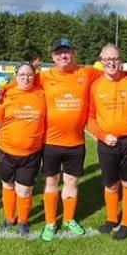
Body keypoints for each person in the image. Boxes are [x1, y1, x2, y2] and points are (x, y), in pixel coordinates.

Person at [36, 38, 102, 242]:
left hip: (76, 143)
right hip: (51, 142)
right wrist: (5, 89)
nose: (63, 56)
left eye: (66, 51)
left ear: (73, 53)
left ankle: (68, 219)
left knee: (71, 182)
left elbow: (111, 73)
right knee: (51, 182)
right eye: (59, 52)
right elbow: (23, 80)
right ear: (53, 56)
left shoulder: (86, 73)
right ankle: (50, 222)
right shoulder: (44, 76)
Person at [87, 44, 127, 240]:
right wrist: (103, 135)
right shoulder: (95, 86)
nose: (111, 63)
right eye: (107, 59)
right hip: (106, 143)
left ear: (120, 60)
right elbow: (90, 118)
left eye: (115, 59)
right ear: (101, 61)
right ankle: (112, 219)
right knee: (110, 184)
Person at [0, 62, 46, 237]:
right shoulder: (6, 94)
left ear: (34, 76)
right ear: (16, 76)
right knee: (7, 185)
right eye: (22, 75)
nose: (26, 78)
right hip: (5, 151)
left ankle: (23, 221)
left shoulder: (42, 94)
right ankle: (9, 218)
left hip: (31, 153)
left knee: (24, 190)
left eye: (29, 75)